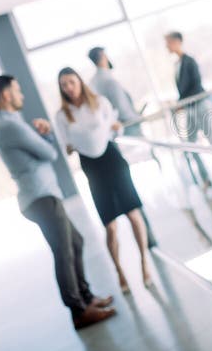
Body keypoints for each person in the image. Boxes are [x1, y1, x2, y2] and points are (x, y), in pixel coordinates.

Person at [0, 75, 116, 330]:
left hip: (45, 194)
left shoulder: (9, 122)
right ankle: (79, 312)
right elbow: (49, 153)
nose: (21, 94)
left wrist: (41, 136)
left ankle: (87, 298)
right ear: (6, 95)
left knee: (75, 243)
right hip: (40, 197)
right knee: (63, 252)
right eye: (17, 90)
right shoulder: (8, 125)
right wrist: (46, 135)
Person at [54, 67, 153, 294]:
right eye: (64, 85)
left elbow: (114, 129)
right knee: (110, 226)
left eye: (71, 82)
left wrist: (116, 128)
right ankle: (119, 271)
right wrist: (70, 146)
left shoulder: (99, 102)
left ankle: (144, 263)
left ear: (79, 81)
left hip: (113, 160)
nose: (68, 87)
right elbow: (65, 146)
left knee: (133, 215)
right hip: (92, 168)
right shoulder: (62, 116)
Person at [88, 46, 159, 248]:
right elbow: (124, 111)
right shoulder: (108, 81)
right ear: (102, 57)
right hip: (124, 140)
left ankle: (147, 236)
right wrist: (138, 119)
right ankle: (148, 236)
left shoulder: (93, 83)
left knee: (127, 193)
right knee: (131, 194)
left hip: (113, 142)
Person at [165, 32, 212, 191]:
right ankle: (206, 178)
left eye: (168, 42)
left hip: (200, 106)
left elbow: (196, 86)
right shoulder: (177, 64)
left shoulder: (190, 61)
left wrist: (181, 104)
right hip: (189, 109)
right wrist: (179, 103)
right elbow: (184, 90)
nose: (166, 46)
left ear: (177, 42)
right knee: (191, 145)